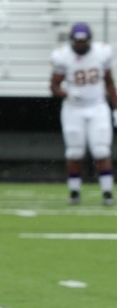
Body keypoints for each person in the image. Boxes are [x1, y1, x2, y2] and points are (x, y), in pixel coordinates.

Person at [49, 22, 117, 206]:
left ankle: (107, 193)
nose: (80, 44)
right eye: (77, 41)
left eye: (83, 41)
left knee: (101, 150)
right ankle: (74, 192)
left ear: (89, 39)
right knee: (74, 152)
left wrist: (115, 108)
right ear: (71, 40)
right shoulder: (63, 56)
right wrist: (68, 93)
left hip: (97, 106)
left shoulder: (101, 53)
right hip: (73, 108)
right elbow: (53, 86)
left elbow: (110, 83)